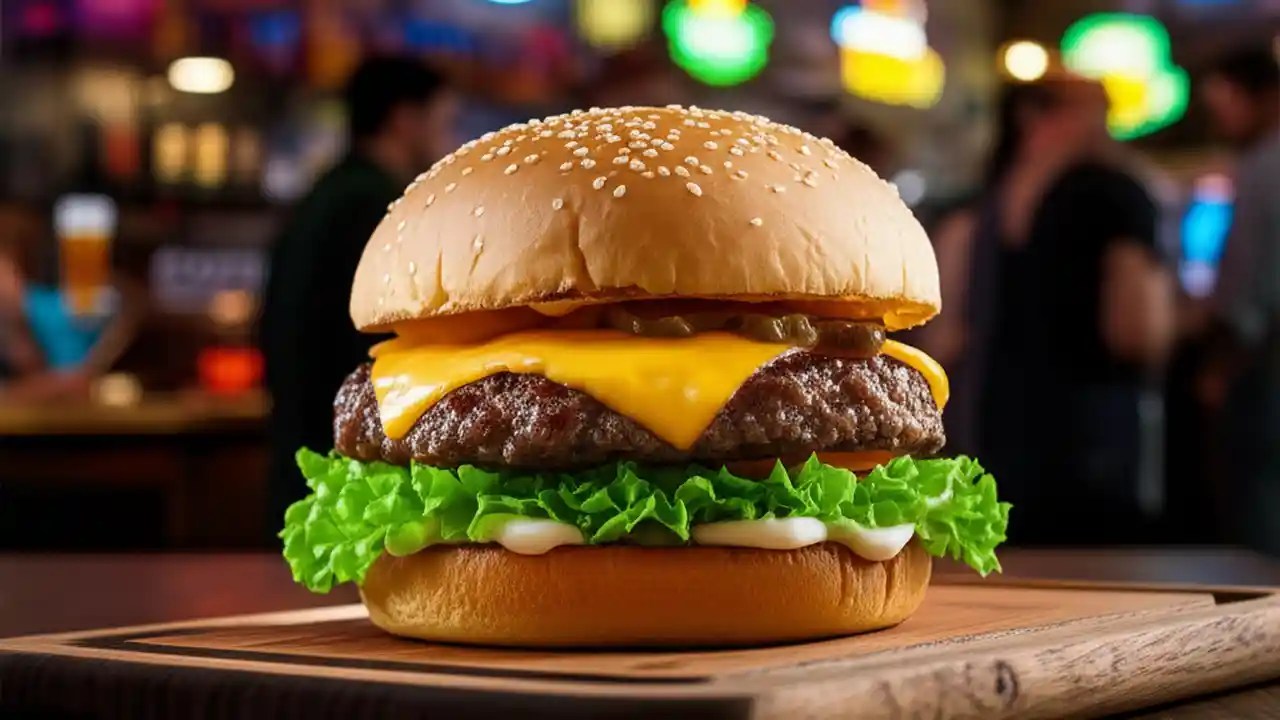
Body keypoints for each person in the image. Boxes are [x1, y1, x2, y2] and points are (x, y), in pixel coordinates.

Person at [920, 75, 1175, 544]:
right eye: (1096, 107)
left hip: (993, 433)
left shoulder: (973, 211)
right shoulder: (1117, 194)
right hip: (1095, 438)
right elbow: (1137, 331)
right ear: (1040, 115)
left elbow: (945, 337)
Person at [260, 57, 457, 536]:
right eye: (442, 121)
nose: (448, 140)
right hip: (349, 468)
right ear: (404, 119)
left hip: (304, 457)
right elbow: (392, 342)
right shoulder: (374, 206)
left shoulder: (324, 193)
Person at [1198, 48, 1280, 553]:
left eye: (1227, 102)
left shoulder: (1262, 167)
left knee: (1261, 504)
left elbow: (1248, 287)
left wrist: (1220, 367)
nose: (1221, 117)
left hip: (1266, 362)